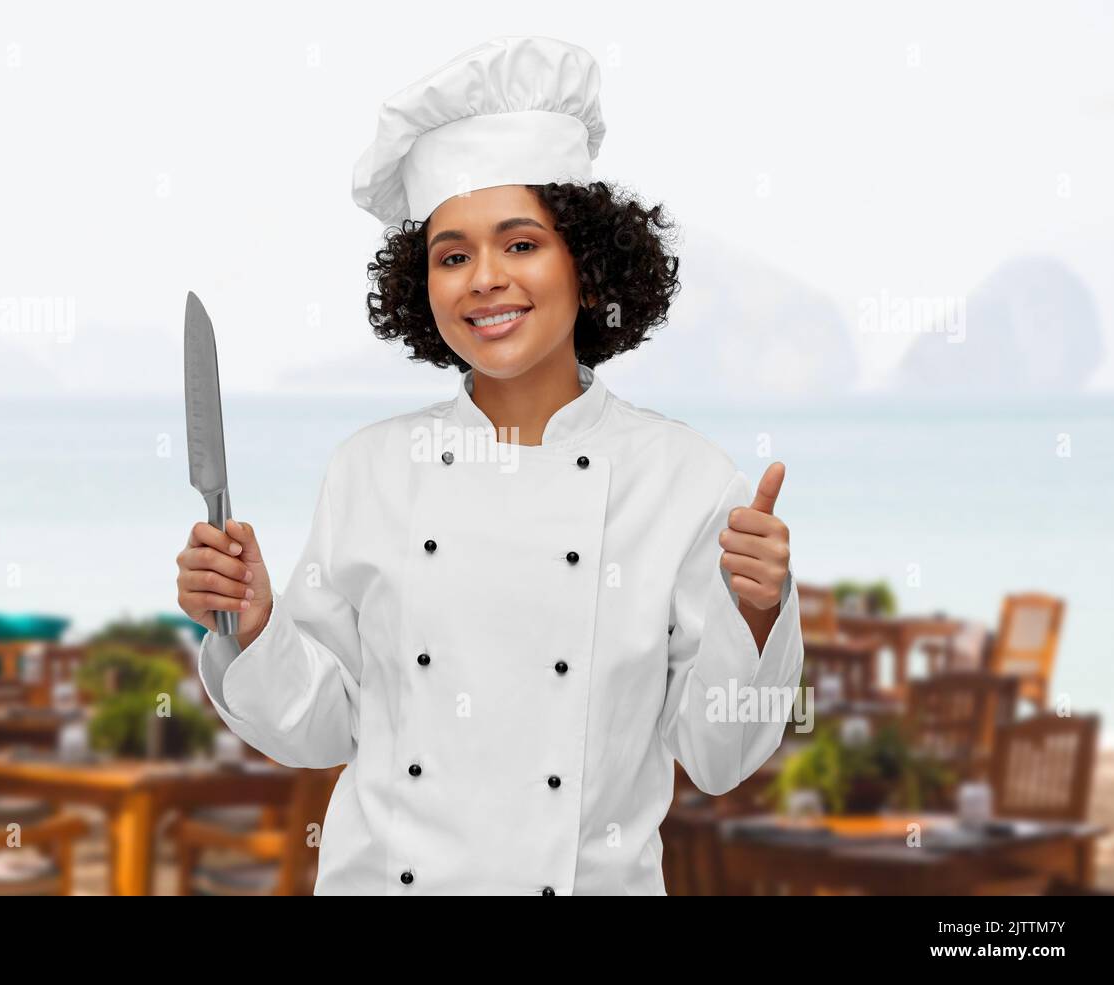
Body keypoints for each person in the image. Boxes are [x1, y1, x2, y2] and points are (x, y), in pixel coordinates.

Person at [176, 36, 803, 895]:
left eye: (520, 243)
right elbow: (322, 729)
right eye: (453, 255)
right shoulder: (369, 470)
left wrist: (759, 614)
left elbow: (720, 755)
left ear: (585, 261)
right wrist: (252, 622)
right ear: (421, 285)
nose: (484, 280)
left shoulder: (686, 481)